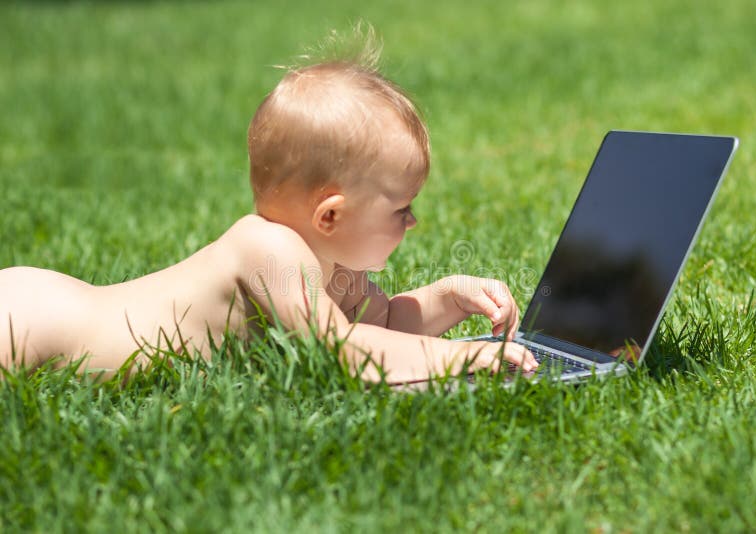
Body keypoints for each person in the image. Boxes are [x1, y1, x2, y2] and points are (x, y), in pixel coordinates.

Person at [0, 58, 537, 384]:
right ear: (330, 215)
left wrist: (449, 297)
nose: (413, 222)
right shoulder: (269, 250)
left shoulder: (334, 268)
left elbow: (384, 329)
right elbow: (341, 352)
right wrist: (460, 361)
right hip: (40, 322)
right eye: (401, 209)